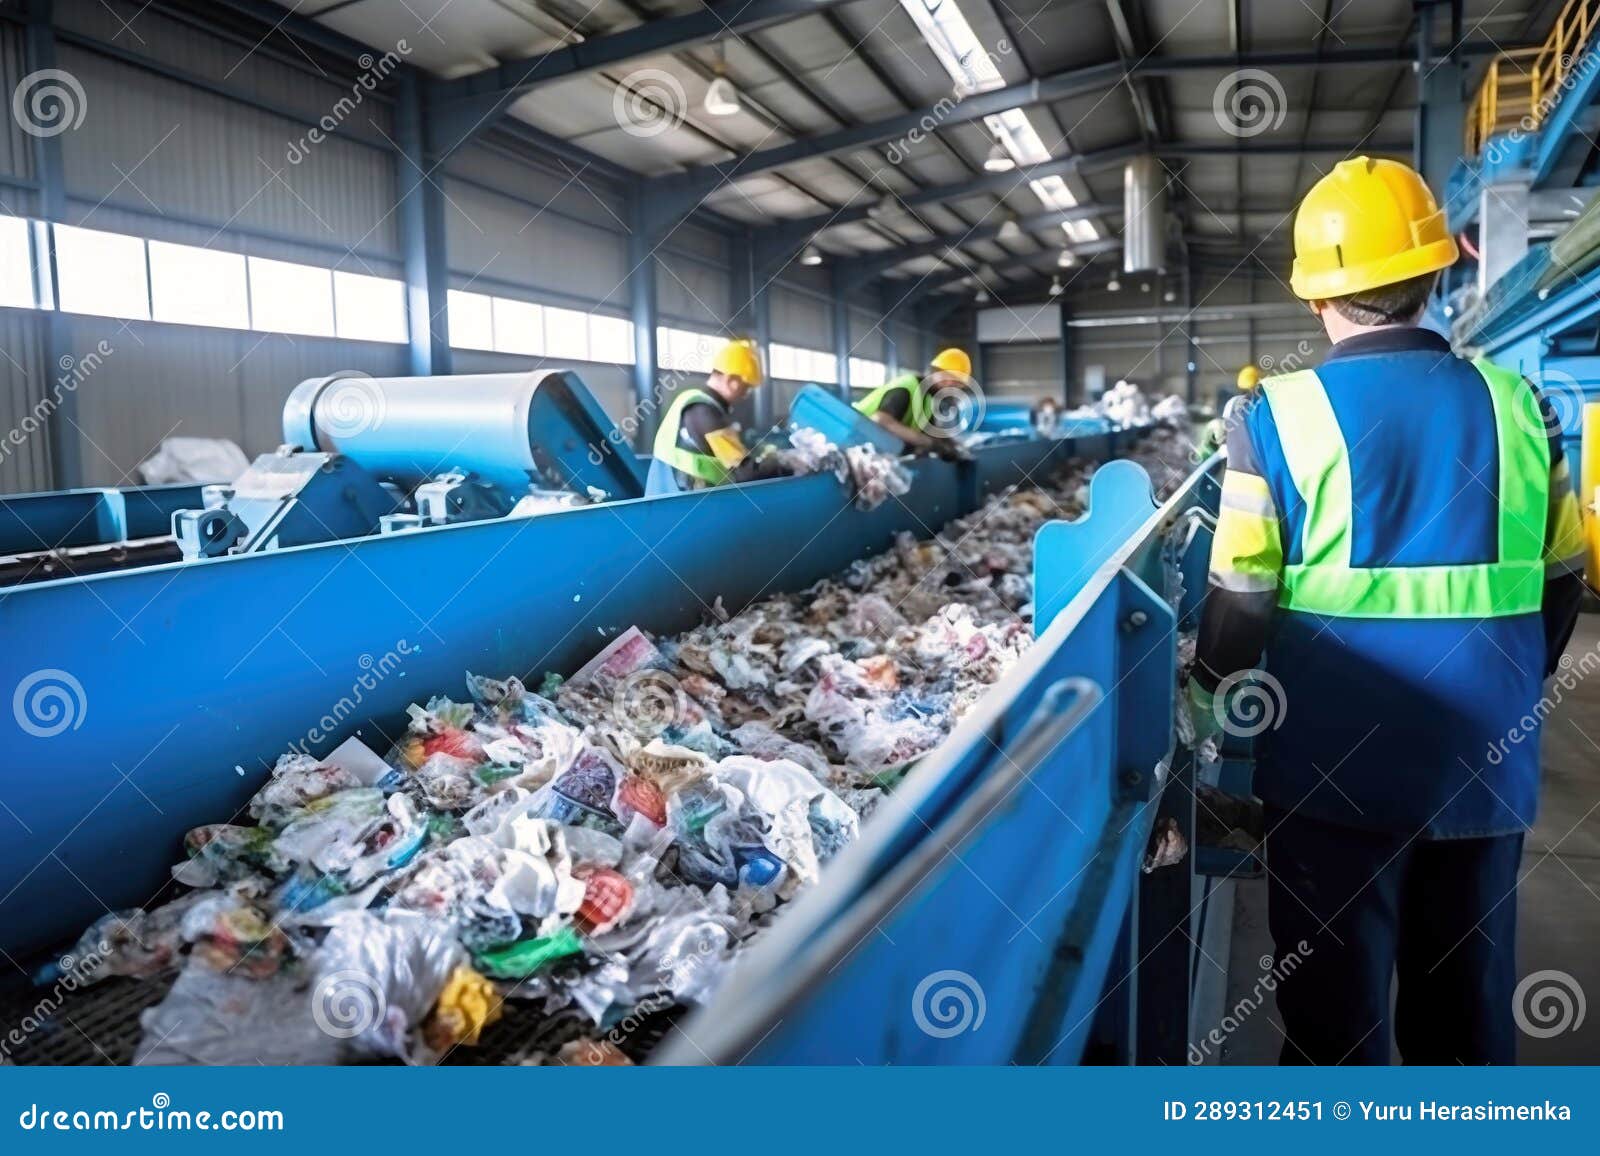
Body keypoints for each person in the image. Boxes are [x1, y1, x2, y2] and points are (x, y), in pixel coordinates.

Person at [1188, 156, 1587, 1065]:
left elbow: (1240, 598)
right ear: (1436, 275)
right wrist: (1513, 677)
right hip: (1483, 767)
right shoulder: (1520, 406)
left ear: (1317, 298)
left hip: (1328, 776)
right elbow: (1564, 578)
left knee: (1334, 1024)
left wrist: (1207, 713)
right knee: (1467, 1020)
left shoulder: (1275, 417)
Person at [646, 339, 786, 496]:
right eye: (746, 387)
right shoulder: (705, 413)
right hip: (681, 506)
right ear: (732, 380)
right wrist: (784, 463)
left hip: (669, 502)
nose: (745, 394)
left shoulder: (693, 402)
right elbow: (746, 474)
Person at [854, 348, 975, 449]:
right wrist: (929, 443)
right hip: (850, 435)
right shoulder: (907, 387)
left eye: (957, 384)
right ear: (936, 372)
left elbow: (929, 432)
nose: (951, 387)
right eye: (950, 380)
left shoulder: (929, 401)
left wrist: (950, 444)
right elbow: (880, 420)